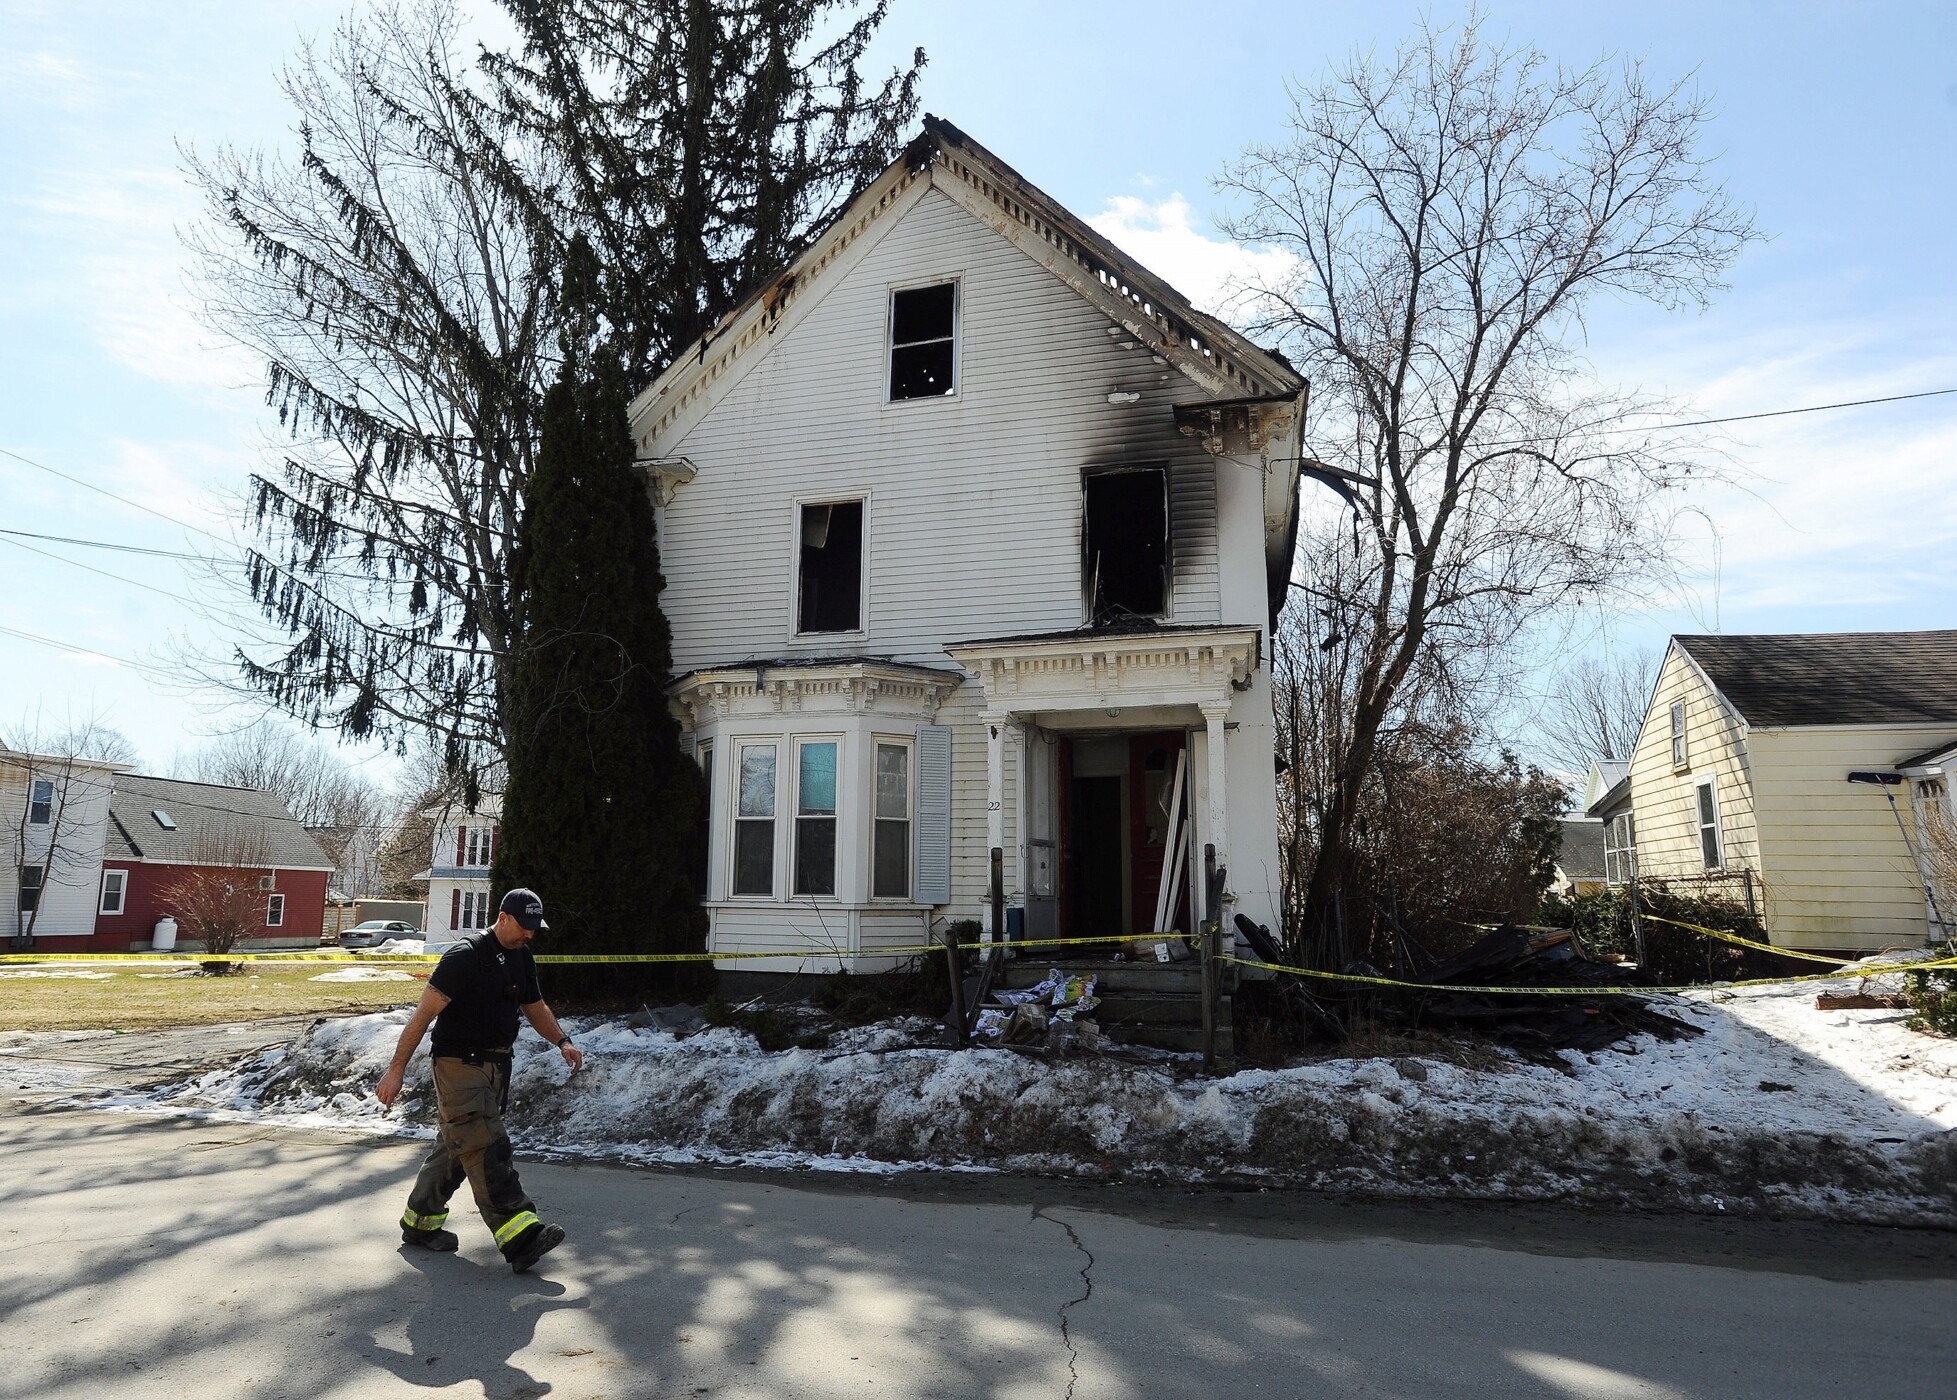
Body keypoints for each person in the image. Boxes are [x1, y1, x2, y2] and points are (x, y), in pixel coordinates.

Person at [375, 887, 583, 1273]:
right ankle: (520, 1236)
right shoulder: (464, 957)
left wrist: (562, 1040)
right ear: (503, 918)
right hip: (458, 1064)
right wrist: (396, 1069)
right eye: (524, 926)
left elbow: (535, 1007)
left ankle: (420, 1222)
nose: (529, 934)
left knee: (458, 1146)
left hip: (496, 1066)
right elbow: (422, 1016)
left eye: (534, 928)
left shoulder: (522, 957)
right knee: (486, 1144)